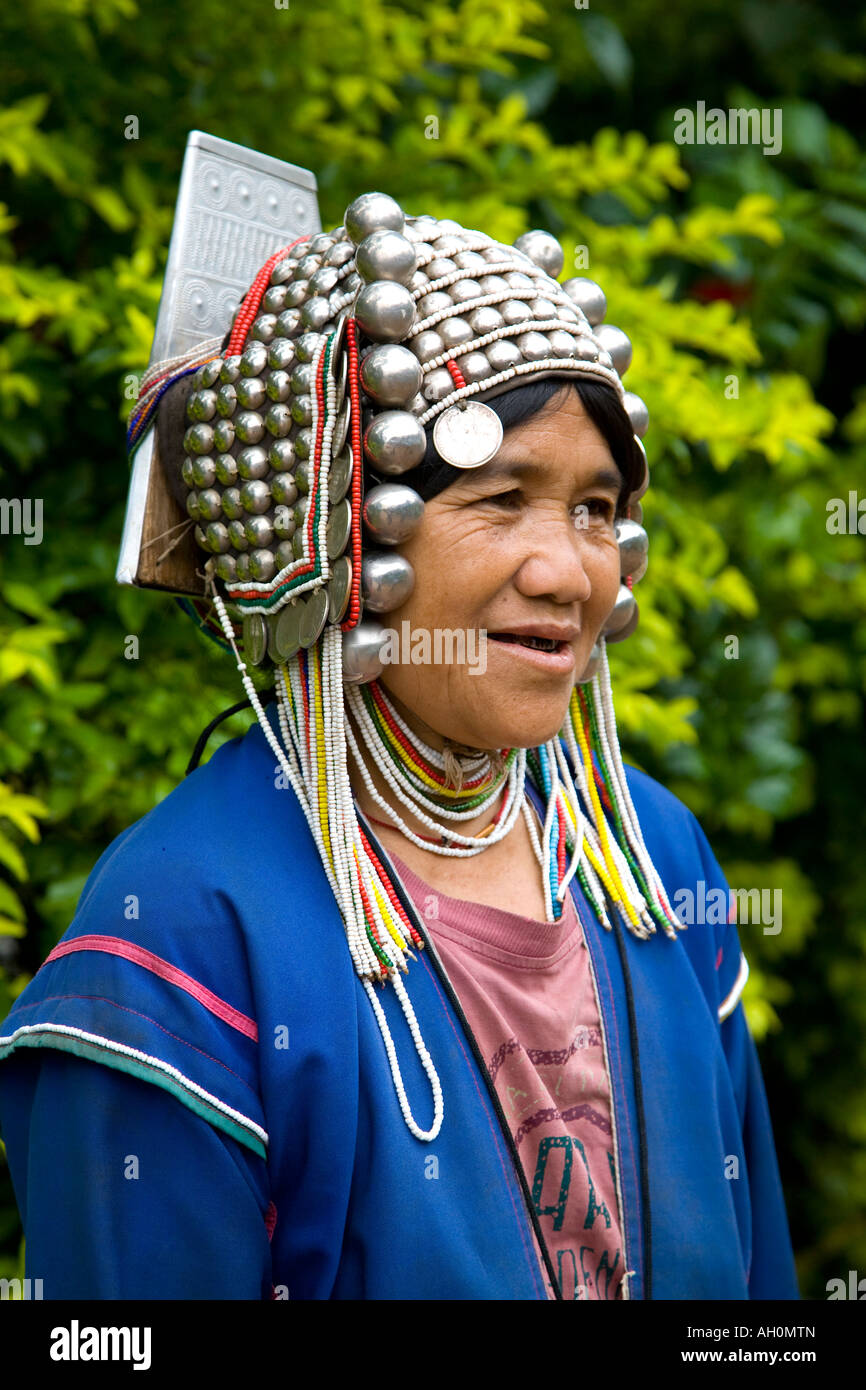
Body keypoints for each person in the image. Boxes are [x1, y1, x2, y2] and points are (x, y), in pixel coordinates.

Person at [0, 193, 799, 1300]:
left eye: (593, 507)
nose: (568, 571)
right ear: (338, 524)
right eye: (502, 497)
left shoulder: (650, 862)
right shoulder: (179, 943)